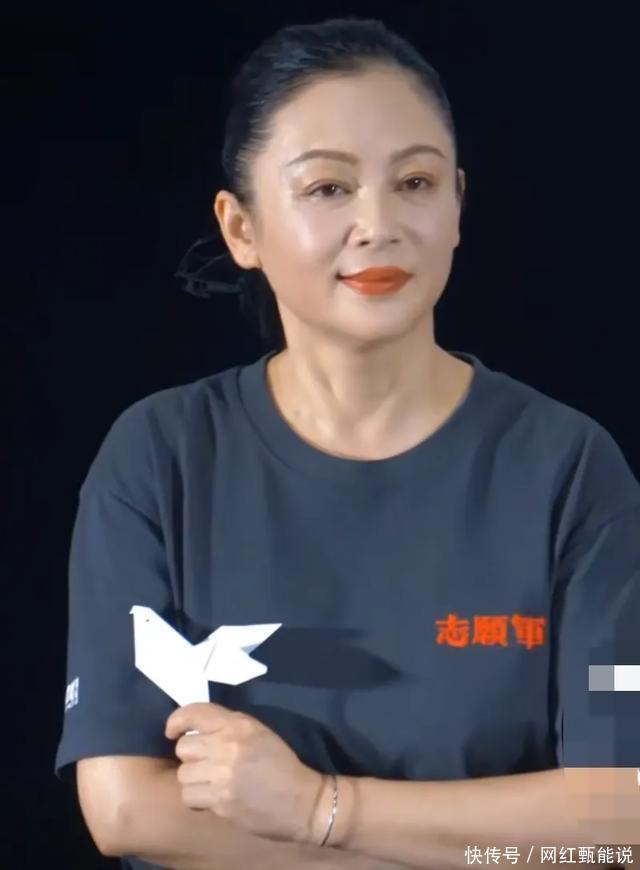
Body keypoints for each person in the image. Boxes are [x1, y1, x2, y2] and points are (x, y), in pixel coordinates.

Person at [54, 15, 640, 870]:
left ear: (457, 206)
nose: (379, 224)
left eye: (415, 182)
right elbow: (125, 809)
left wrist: (318, 809)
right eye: (328, 188)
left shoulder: (571, 470)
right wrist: (476, 846)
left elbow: (618, 814)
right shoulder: (160, 458)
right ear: (241, 229)